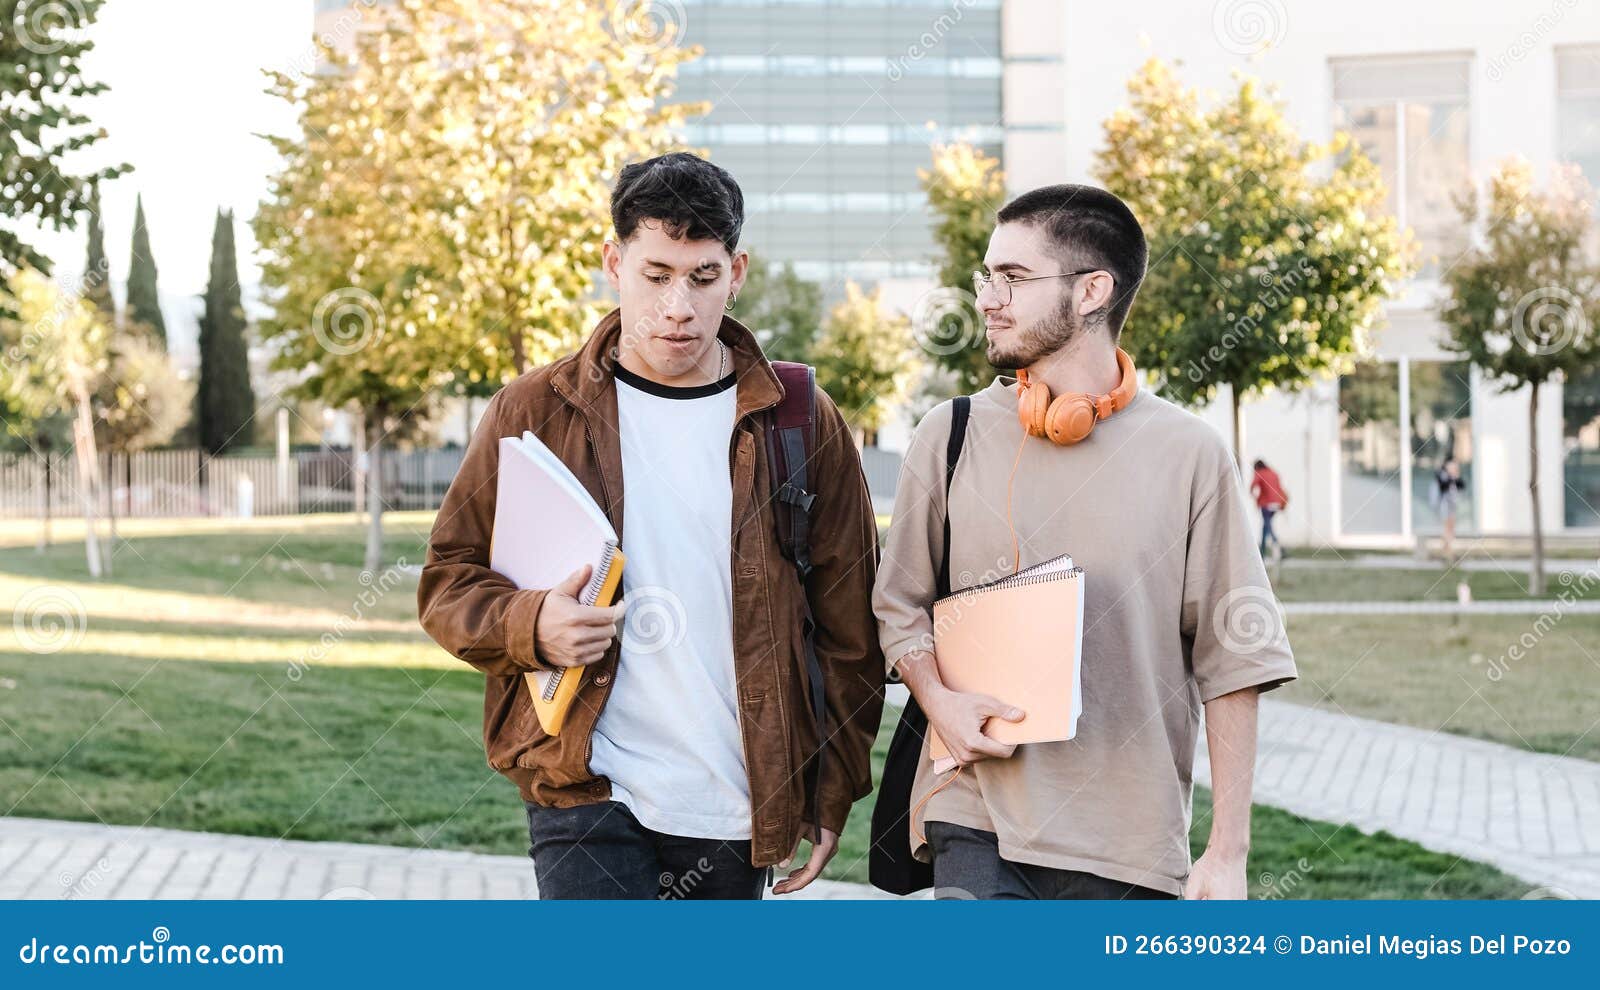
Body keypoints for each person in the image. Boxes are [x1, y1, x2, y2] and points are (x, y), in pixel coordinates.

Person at [418, 152, 884, 899]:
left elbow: (851, 629)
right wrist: (533, 624)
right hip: (585, 784)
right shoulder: (533, 410)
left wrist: (831, 790)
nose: (679, 306)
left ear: (736, 273)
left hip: (732, 798)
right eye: (656, 275)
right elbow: (448, 581)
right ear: (615, 263)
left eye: (703, 277)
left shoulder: (799, 419)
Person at [873, 184, 1297, 900]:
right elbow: (897, 606)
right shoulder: (949, 435)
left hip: (1128, 844)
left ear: (1092, 291)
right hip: (974, 817)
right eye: (986, 277)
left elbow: (1233, 660)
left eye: (1013, 277)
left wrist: (1228, 853)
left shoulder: (1191, 454)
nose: (987, 299)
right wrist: (937, 697)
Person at [1249, 459, 1288, 560]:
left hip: (1266, 504)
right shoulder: (1274, 473)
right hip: (1277, 503)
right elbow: (1279, 488)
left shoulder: (1260, 473)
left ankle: (1278, 546)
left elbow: (1252, 486)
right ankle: (1262, 551)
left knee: (1268, 526)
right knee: (1265, 526)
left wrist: (1254, 497)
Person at [1433, 457, 1466, 559]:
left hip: (1453, 506)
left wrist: (1456, 477)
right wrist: (1451, 477)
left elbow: (1462, 486)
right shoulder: (1443, 477)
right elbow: (1442, 487)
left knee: (1451, 529)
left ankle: (1446, 550)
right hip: (1445, 506)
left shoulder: (1455, 478)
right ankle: (1448, 551)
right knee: (1447, 529)